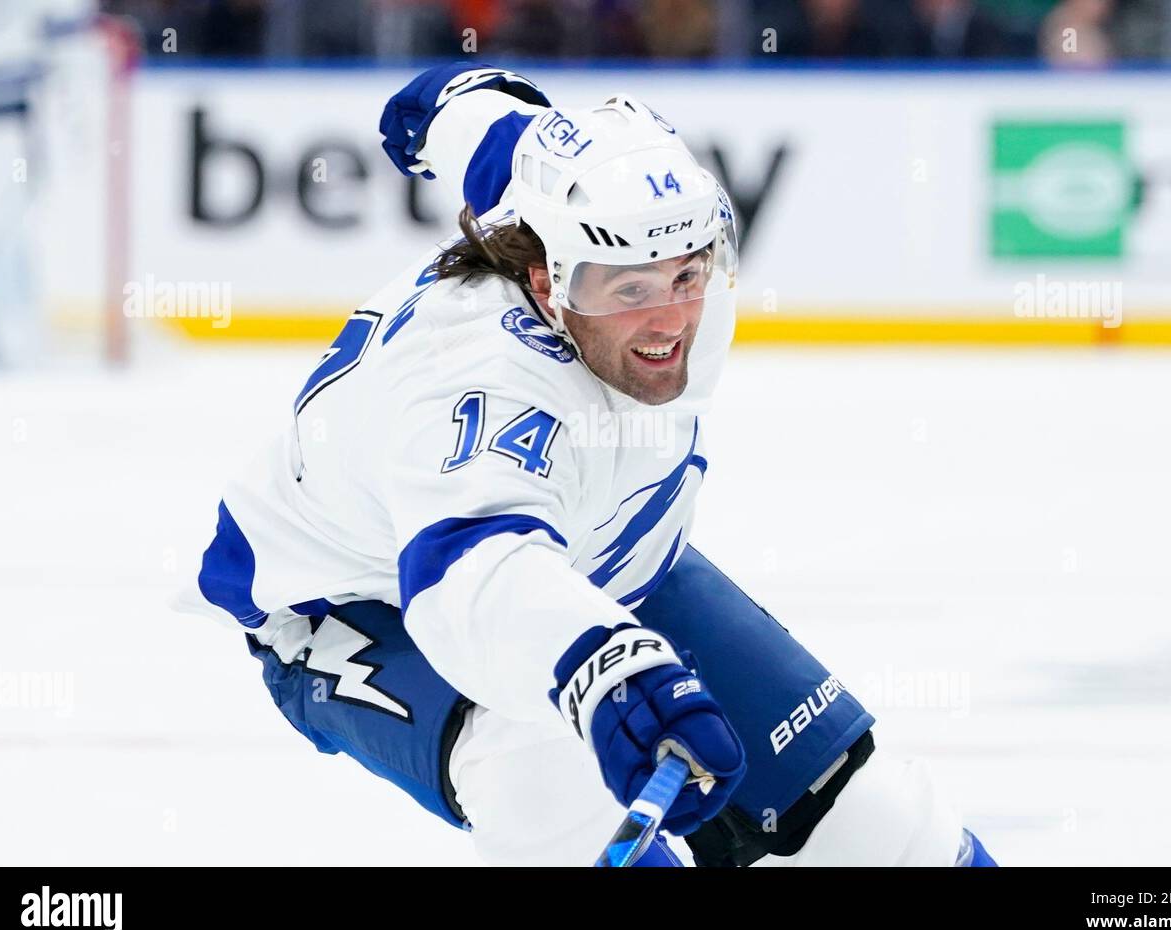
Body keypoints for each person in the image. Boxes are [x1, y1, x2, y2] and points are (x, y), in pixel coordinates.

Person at [180, 63, 996, 867]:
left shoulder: (573, 207)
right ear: (545, 281)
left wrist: (443, 104)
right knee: (543, 780)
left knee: (878, 829)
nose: (670, 320)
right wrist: (608, 670)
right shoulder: (484, 381)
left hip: (599, 560)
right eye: (628, 289)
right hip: (361, 600)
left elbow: (488, 126)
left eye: (687, 274)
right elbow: (472, 570)